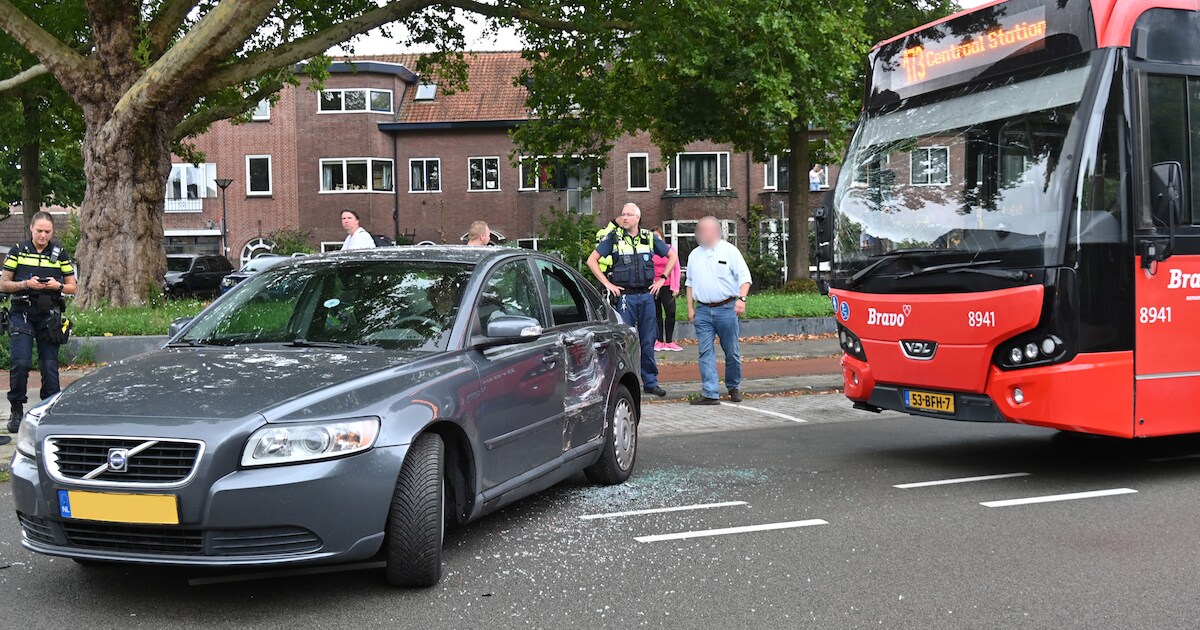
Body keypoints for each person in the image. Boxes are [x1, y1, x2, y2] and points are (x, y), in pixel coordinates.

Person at [586, 203, 678, 397]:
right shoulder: (614, 239)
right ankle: (623, 382)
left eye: (629, 215)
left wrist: (662, 280)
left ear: (637, 218)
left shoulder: (649, 238)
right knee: (624, 342)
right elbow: (591, 260)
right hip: (625, 296)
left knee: (648, 339)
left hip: (646, 296)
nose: (624, 218)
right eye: (623, 214)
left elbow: (672, 255)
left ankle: (650, 382)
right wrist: (607, 284)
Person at [1, 212, 77, 441]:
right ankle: (16, 409)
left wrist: (57, 285)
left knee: (50, 367)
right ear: (31, 229)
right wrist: (26, 283)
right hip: (21, 313)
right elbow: (4, 283)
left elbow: (72, 287)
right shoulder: (18, 251)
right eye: (39, 231)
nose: (43, 235)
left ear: (52, 232)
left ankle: (49, 411)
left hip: (49, 315)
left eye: (48, 232)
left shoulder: (59, 254)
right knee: (21, 362)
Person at [686, 216, 751, 405]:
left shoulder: (730, 252)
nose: (701, 234)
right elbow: (689, 283)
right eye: (699, 230)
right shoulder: (694, 255)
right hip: (703, 310)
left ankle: (733, 386)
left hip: (727, 308)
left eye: (704, 230)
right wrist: (690, 307)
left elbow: (745, 277)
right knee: (705, 352)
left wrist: (742, 299)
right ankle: (710, 392)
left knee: (731, 351)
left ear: (716, 231)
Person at [651, 227, 682, 352]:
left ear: (662, 238)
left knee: (670, 312)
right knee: (656, 313)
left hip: (668, 285)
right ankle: (659, 340)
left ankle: (669, 341)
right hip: (654, 286)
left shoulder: (670, 250)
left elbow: (676, 269)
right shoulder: (649, 251)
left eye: (657, 236)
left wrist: (676, 286)